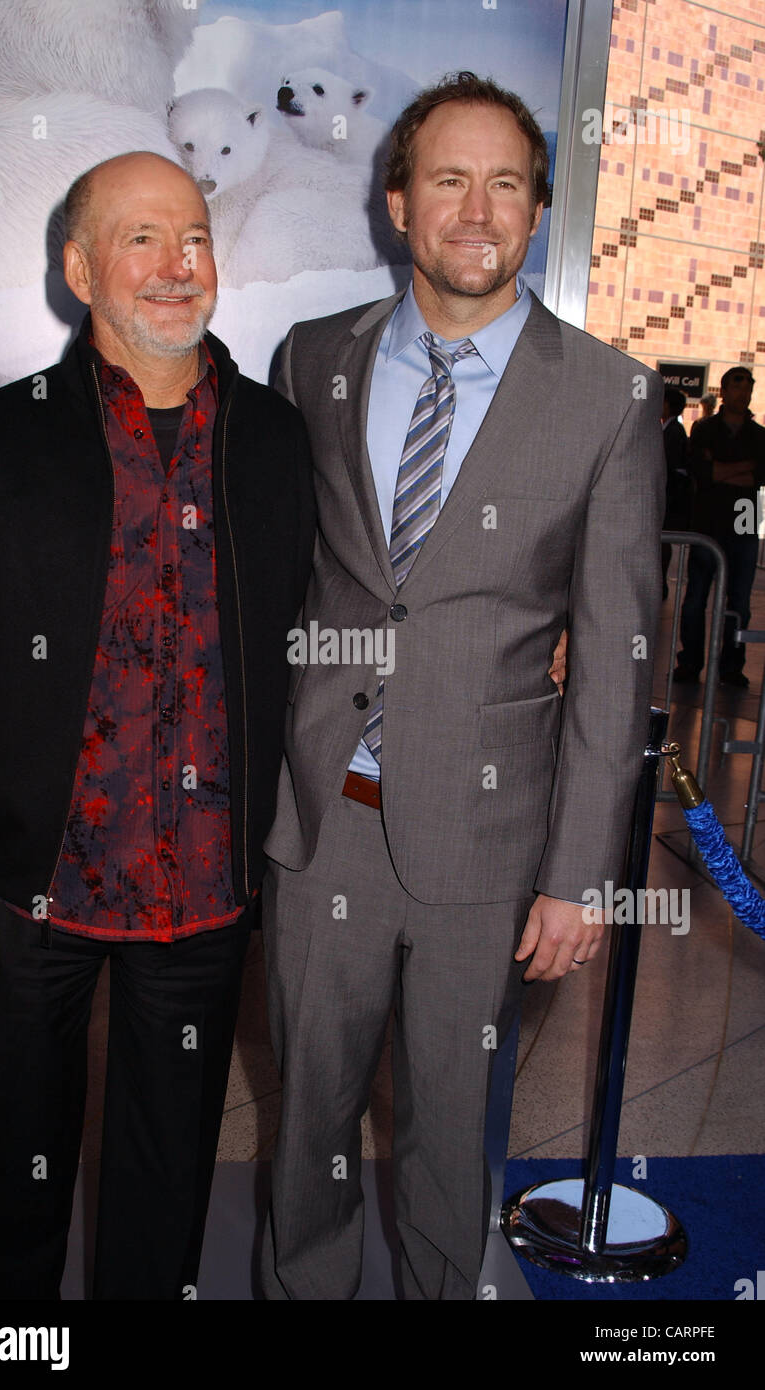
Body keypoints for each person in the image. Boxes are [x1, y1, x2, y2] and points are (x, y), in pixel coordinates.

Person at [259, 71, 665, 1301]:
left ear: (537, 211)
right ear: (397, 203)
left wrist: (580, 873)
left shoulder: (607, 396)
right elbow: (283, 583)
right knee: (301, 1134)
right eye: (447, 179)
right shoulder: (312, 360)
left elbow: (615, 648)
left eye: (505, 183)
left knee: (449, 1141)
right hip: (319, 822)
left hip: (490, 844)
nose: (475, 209)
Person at [0, 151, 315, 1299]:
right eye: (139, 238)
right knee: (14, 1175)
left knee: (167, 1171)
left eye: (191, 236)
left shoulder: (277, 442)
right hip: (26, 888)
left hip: (204, 895)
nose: (173, 263)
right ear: (80, 267)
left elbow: (353, 613)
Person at [675, 366, 765, 688]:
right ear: (724, 391)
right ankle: (690, 661)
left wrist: (720, 469)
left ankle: (731, 667)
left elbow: (759, 476)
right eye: (737, 388)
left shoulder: (759, 436)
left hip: (745, 518)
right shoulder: (704, 429)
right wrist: (740, 469)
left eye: (748, 390)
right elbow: (703, 473)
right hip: (708, 521)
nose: (743, 396)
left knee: (739, 600)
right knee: (696, 596)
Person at [661, 385, 692, 597]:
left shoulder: (673, 432)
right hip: (669, 494)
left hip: (670, 496)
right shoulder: (669, 429)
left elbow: (669, 465)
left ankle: (660, 582)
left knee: (662, 541)